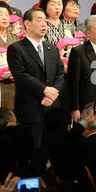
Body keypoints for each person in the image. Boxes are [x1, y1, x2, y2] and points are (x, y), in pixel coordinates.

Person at [6, 8, 66, 148]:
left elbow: (60, 73)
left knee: (54, 150)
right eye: (39, 20)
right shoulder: (16, 49)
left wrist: (53, 93)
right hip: (31, 110)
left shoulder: (52, 49)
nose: (44, 24)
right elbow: (21, 76)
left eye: (45, 20)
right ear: (27, 23)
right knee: (33, 151)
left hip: (53, 109)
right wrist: (44, 90)